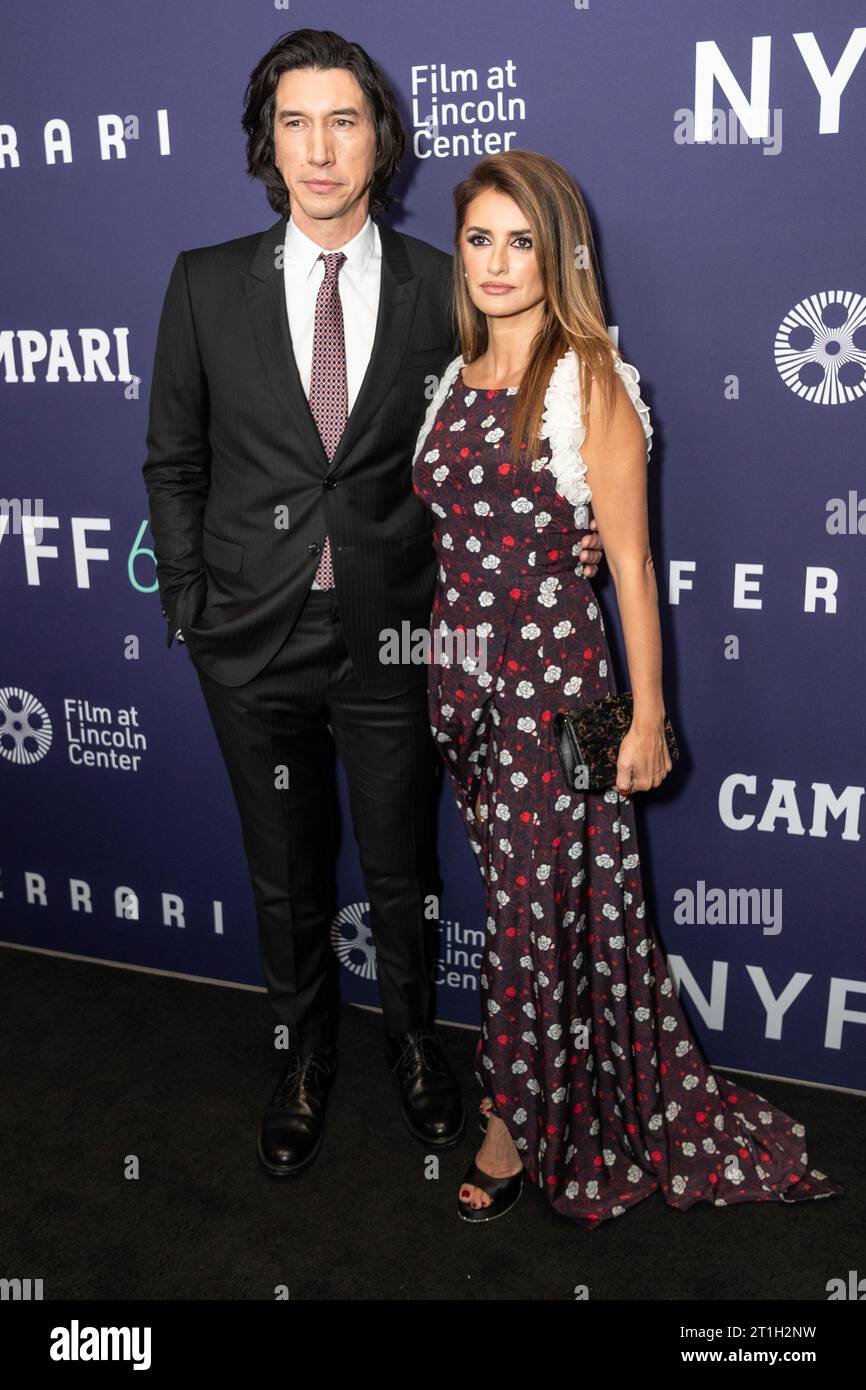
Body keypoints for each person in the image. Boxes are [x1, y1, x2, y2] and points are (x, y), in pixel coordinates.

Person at [141, 30, 606, 1178]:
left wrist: (576, 512)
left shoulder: (437, 283)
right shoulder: (203, 282)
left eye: (341, 121)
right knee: (282, 870)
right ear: (267, 139)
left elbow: (522, 399)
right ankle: (299, 1058)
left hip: (398, 636)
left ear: (379, 139)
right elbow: (174, 463)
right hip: (251, 640)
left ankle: (411, 1047)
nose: (318, 147)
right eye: (293, 121)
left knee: (402, 867)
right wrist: (195, 610)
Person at [412, 148, 845, 1225]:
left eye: (522, 240)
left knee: (533, 915)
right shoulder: (451, 380)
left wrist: (645, 719)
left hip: (565, 683)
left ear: (559, 255)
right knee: (563, 908)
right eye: (479, 237)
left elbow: (632, 568)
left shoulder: (589, 380)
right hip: (466, 687)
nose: (497, 261)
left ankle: (512, 1124)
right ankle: (572, 1083)